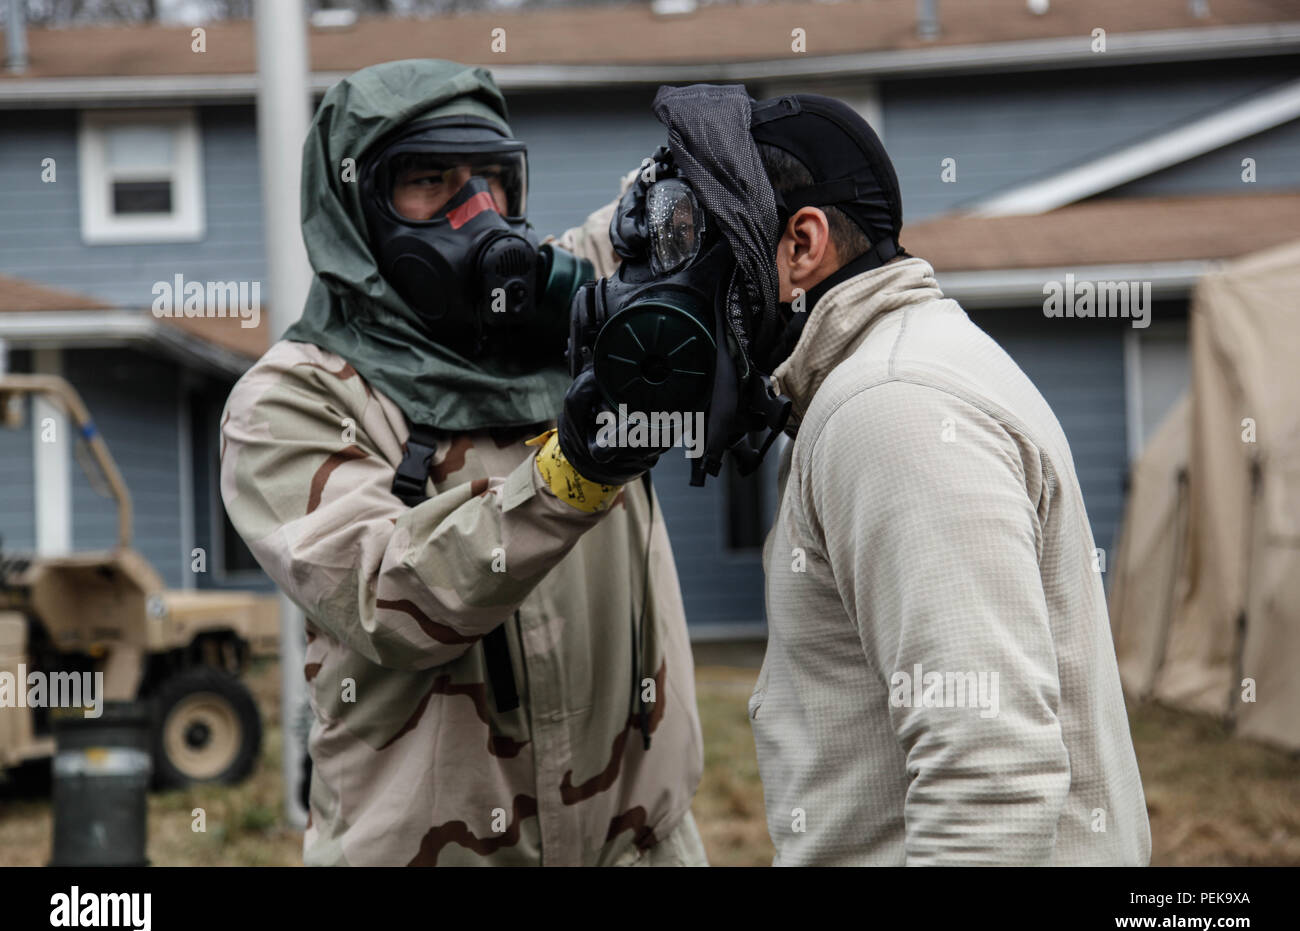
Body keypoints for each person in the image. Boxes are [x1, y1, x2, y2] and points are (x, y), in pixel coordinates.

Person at [614, 85, 1151, 865]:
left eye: (711, 246)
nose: (685, 284)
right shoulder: (894, 374)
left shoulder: (892, 409)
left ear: (802, 245)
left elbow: (991, 778)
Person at [220, 59, 705, 866]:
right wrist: (573, 473)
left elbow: (676, 221)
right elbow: (389, 592)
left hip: (640, 847)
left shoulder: (575, 308)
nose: (475, 211)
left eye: (493, 180)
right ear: (358, 212)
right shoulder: (293, 400)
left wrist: (730, 159)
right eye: (430, 181)